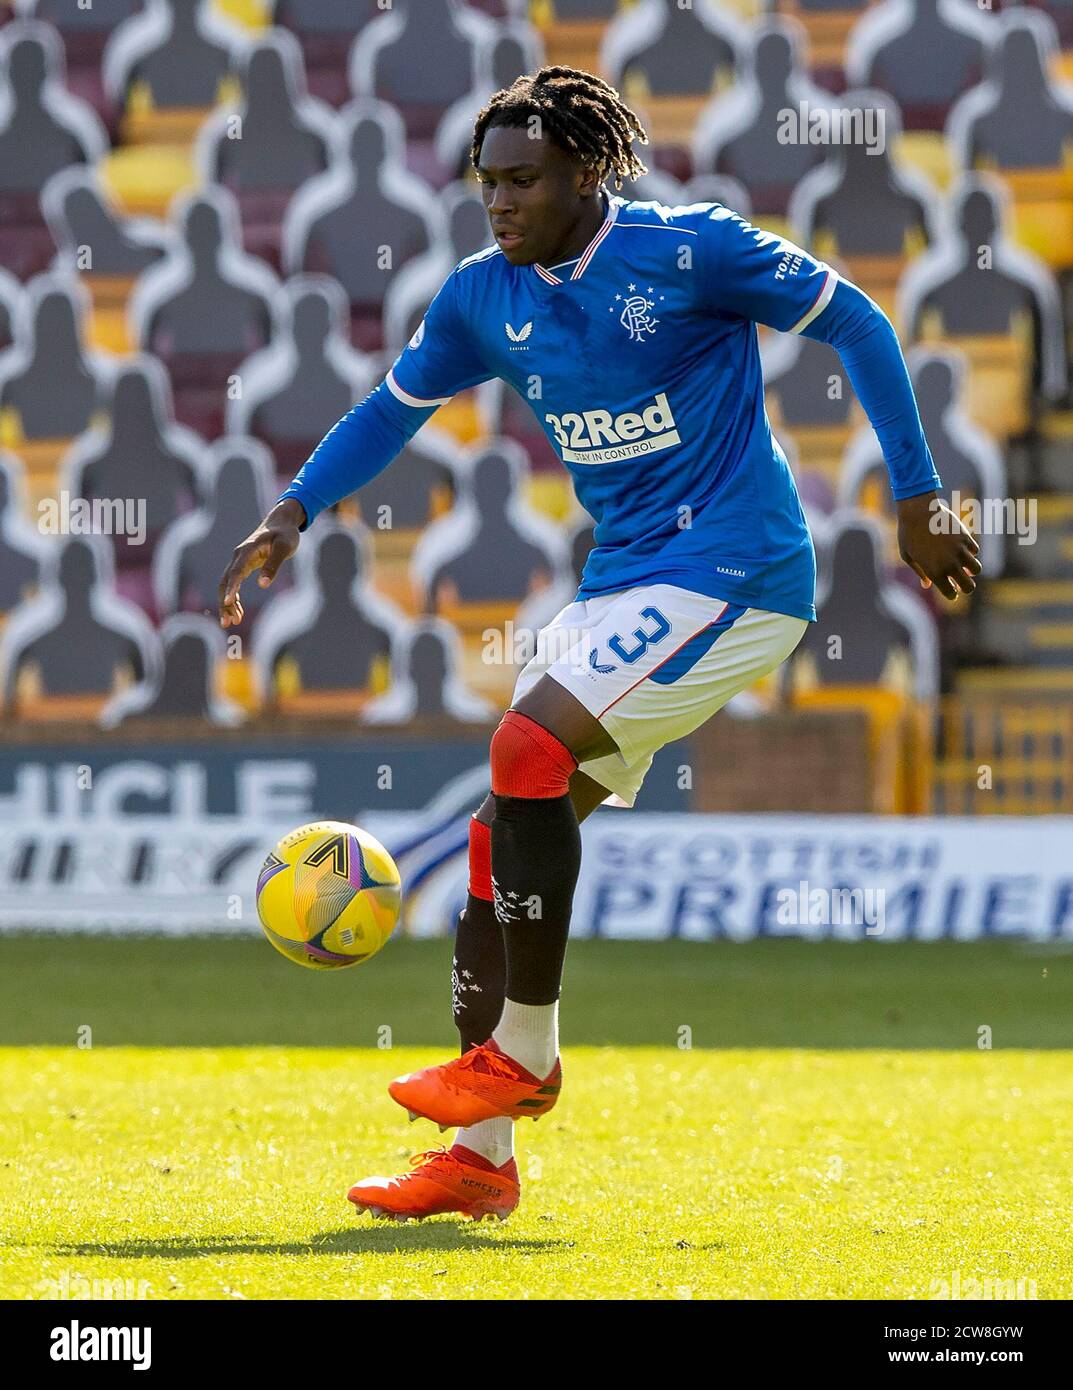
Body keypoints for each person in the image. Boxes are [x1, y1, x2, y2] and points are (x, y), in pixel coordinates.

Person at [218, 66, 980, 1224]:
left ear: (586, 172)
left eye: (523, 181)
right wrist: (291, 511)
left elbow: (857, 322)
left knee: (524, 753)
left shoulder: (690, 253)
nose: (501, 203)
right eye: (487, 184)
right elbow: (388, 407)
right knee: (491, 844)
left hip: (737, 566)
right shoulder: (482, 297)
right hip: (624, 579)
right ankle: (478, 1155)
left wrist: (914, 494)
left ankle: (524, 1056)